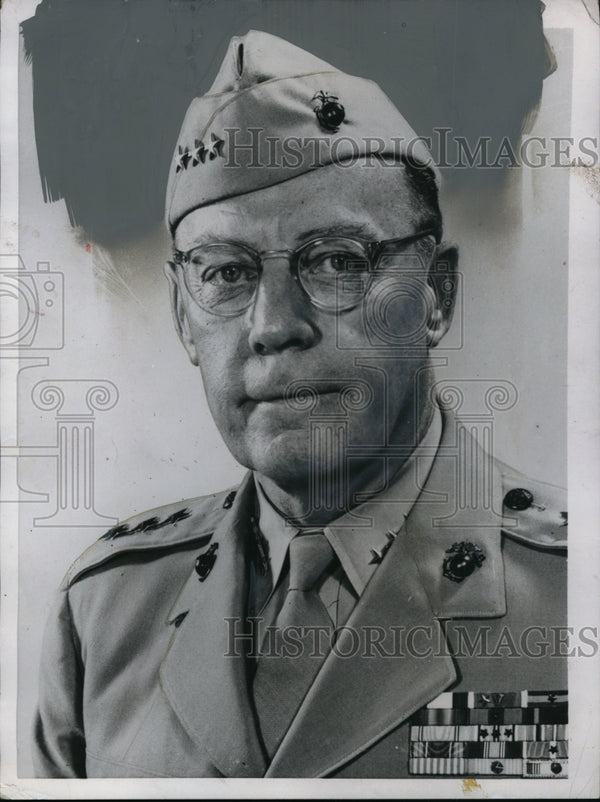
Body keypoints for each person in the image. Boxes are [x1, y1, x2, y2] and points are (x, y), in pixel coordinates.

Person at [33, 31, 567, 780]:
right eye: (226, 273)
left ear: (436, 296)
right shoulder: (105, 611)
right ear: (184, 317)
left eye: (338, 262)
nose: (275, 325)